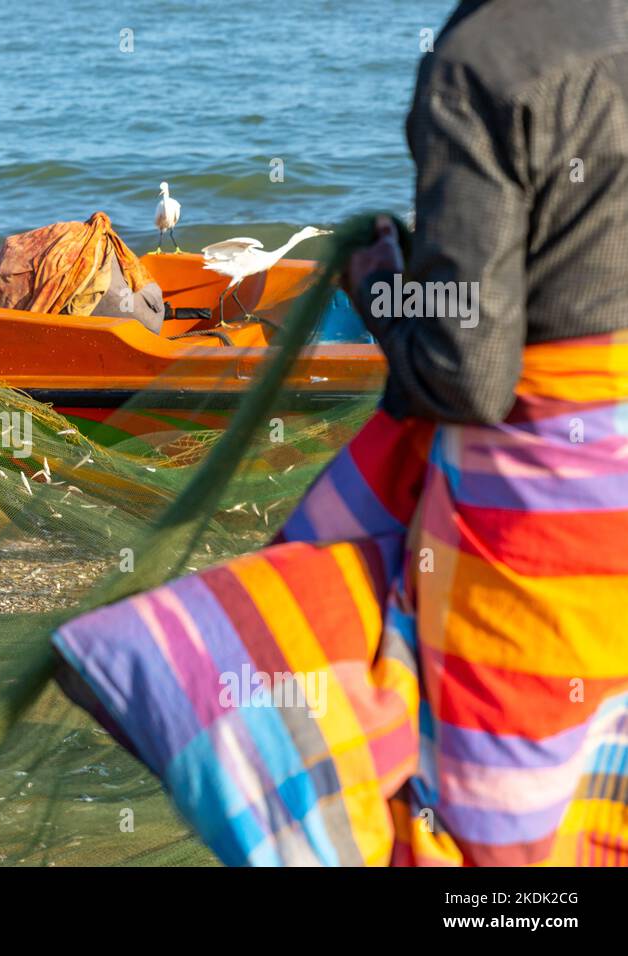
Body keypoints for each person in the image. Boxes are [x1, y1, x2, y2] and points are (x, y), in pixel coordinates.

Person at [55, 0, 628, 866]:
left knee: (493, 825)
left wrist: (380, 287)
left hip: (534, 508)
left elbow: (467, 373)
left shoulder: (486, 55)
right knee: (590, 775)